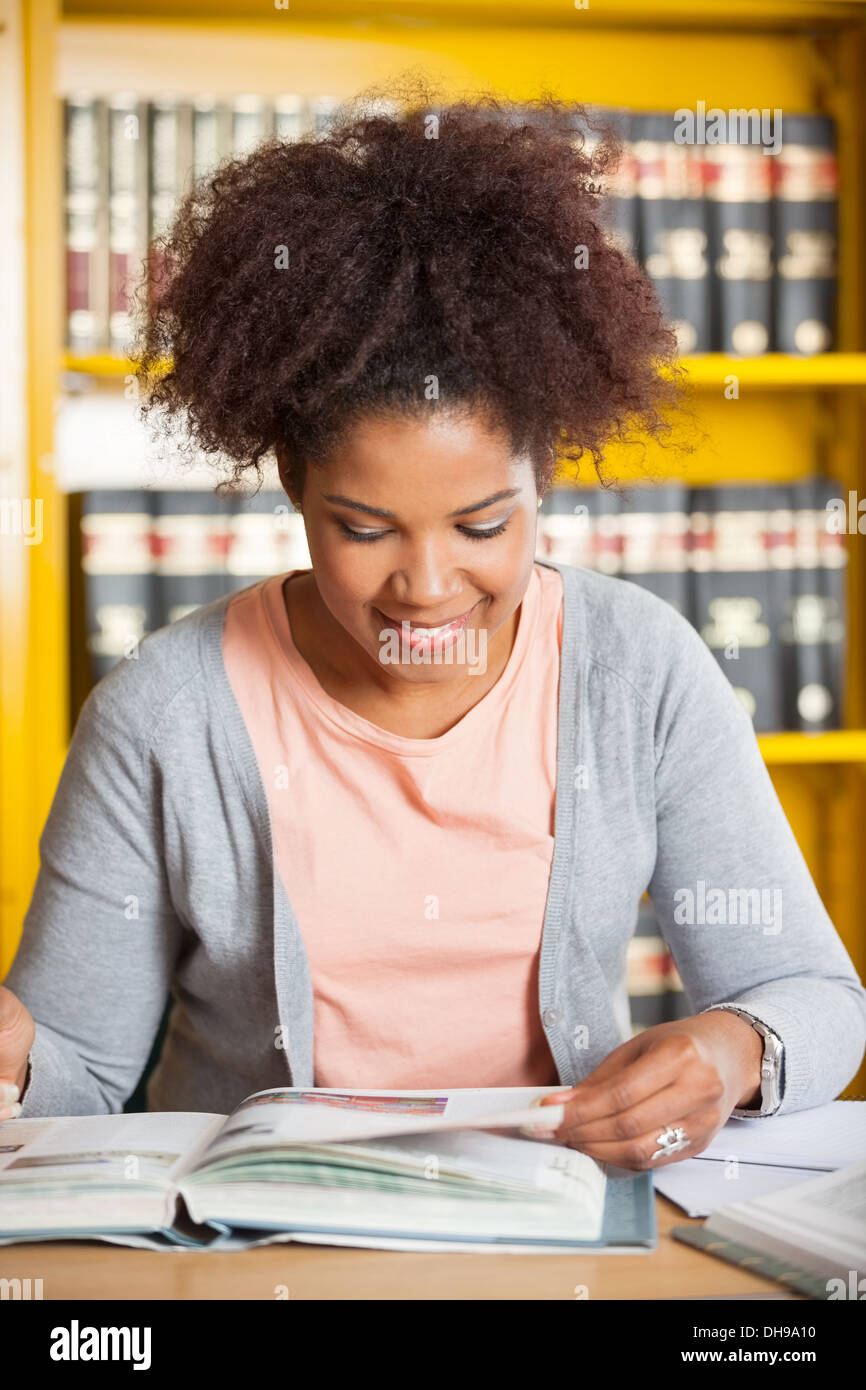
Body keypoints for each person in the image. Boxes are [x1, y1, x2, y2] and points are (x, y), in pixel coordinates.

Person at [1, 84, 864, 1173]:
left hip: (556, 1227)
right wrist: (22, 1056)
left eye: (479, 522)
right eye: (364, 528)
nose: (424, 584)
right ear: (291, 484)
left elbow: (816, 999)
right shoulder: (163, 712)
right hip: (255, 1241)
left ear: (541, 478)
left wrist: (731, 1046)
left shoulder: (635, 669)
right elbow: (77, 1073)